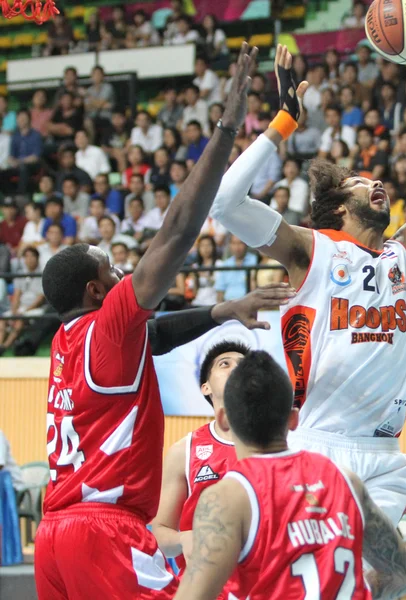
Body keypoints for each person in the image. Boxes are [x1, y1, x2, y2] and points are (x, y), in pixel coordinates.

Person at [210, 16, 406, 526]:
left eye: (374, 178)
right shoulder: (311, 250)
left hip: (387, 458)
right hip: (320, 446)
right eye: (359, 182)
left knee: (379, 583)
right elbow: (223, 202)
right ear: (337, 208)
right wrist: (281, 125)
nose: (376, 183)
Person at [33, 43, 266, 600]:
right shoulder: (110, 322)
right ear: (96, 289)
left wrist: (220, 312)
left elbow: (155, 335)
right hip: (103, 531)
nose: (122, 272)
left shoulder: (67, 344)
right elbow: (178, 231)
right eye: (111, 268)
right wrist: (228, 128)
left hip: (53, 535)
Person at [174, 351, 406, 600]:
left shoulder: (228, 495)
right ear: (293, 419)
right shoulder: (346, 480)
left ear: (224, 420)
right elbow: (402, 577)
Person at [152, 341, 247, 575]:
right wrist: (184, 540)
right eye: (225, 363)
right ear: (206, 387)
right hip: (206, 586)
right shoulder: (184, 451)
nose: (237, 368)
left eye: (245, 365)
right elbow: (159, 532)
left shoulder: (281, 445)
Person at [215, 235, 257, 302]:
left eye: (240, 243)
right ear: (230, 245)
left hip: (248, 304)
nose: (237, 247)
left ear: (246, 244)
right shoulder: (226, 264)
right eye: (234, 243)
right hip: (228, 305)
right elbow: (220, 291)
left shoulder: (255, 261)